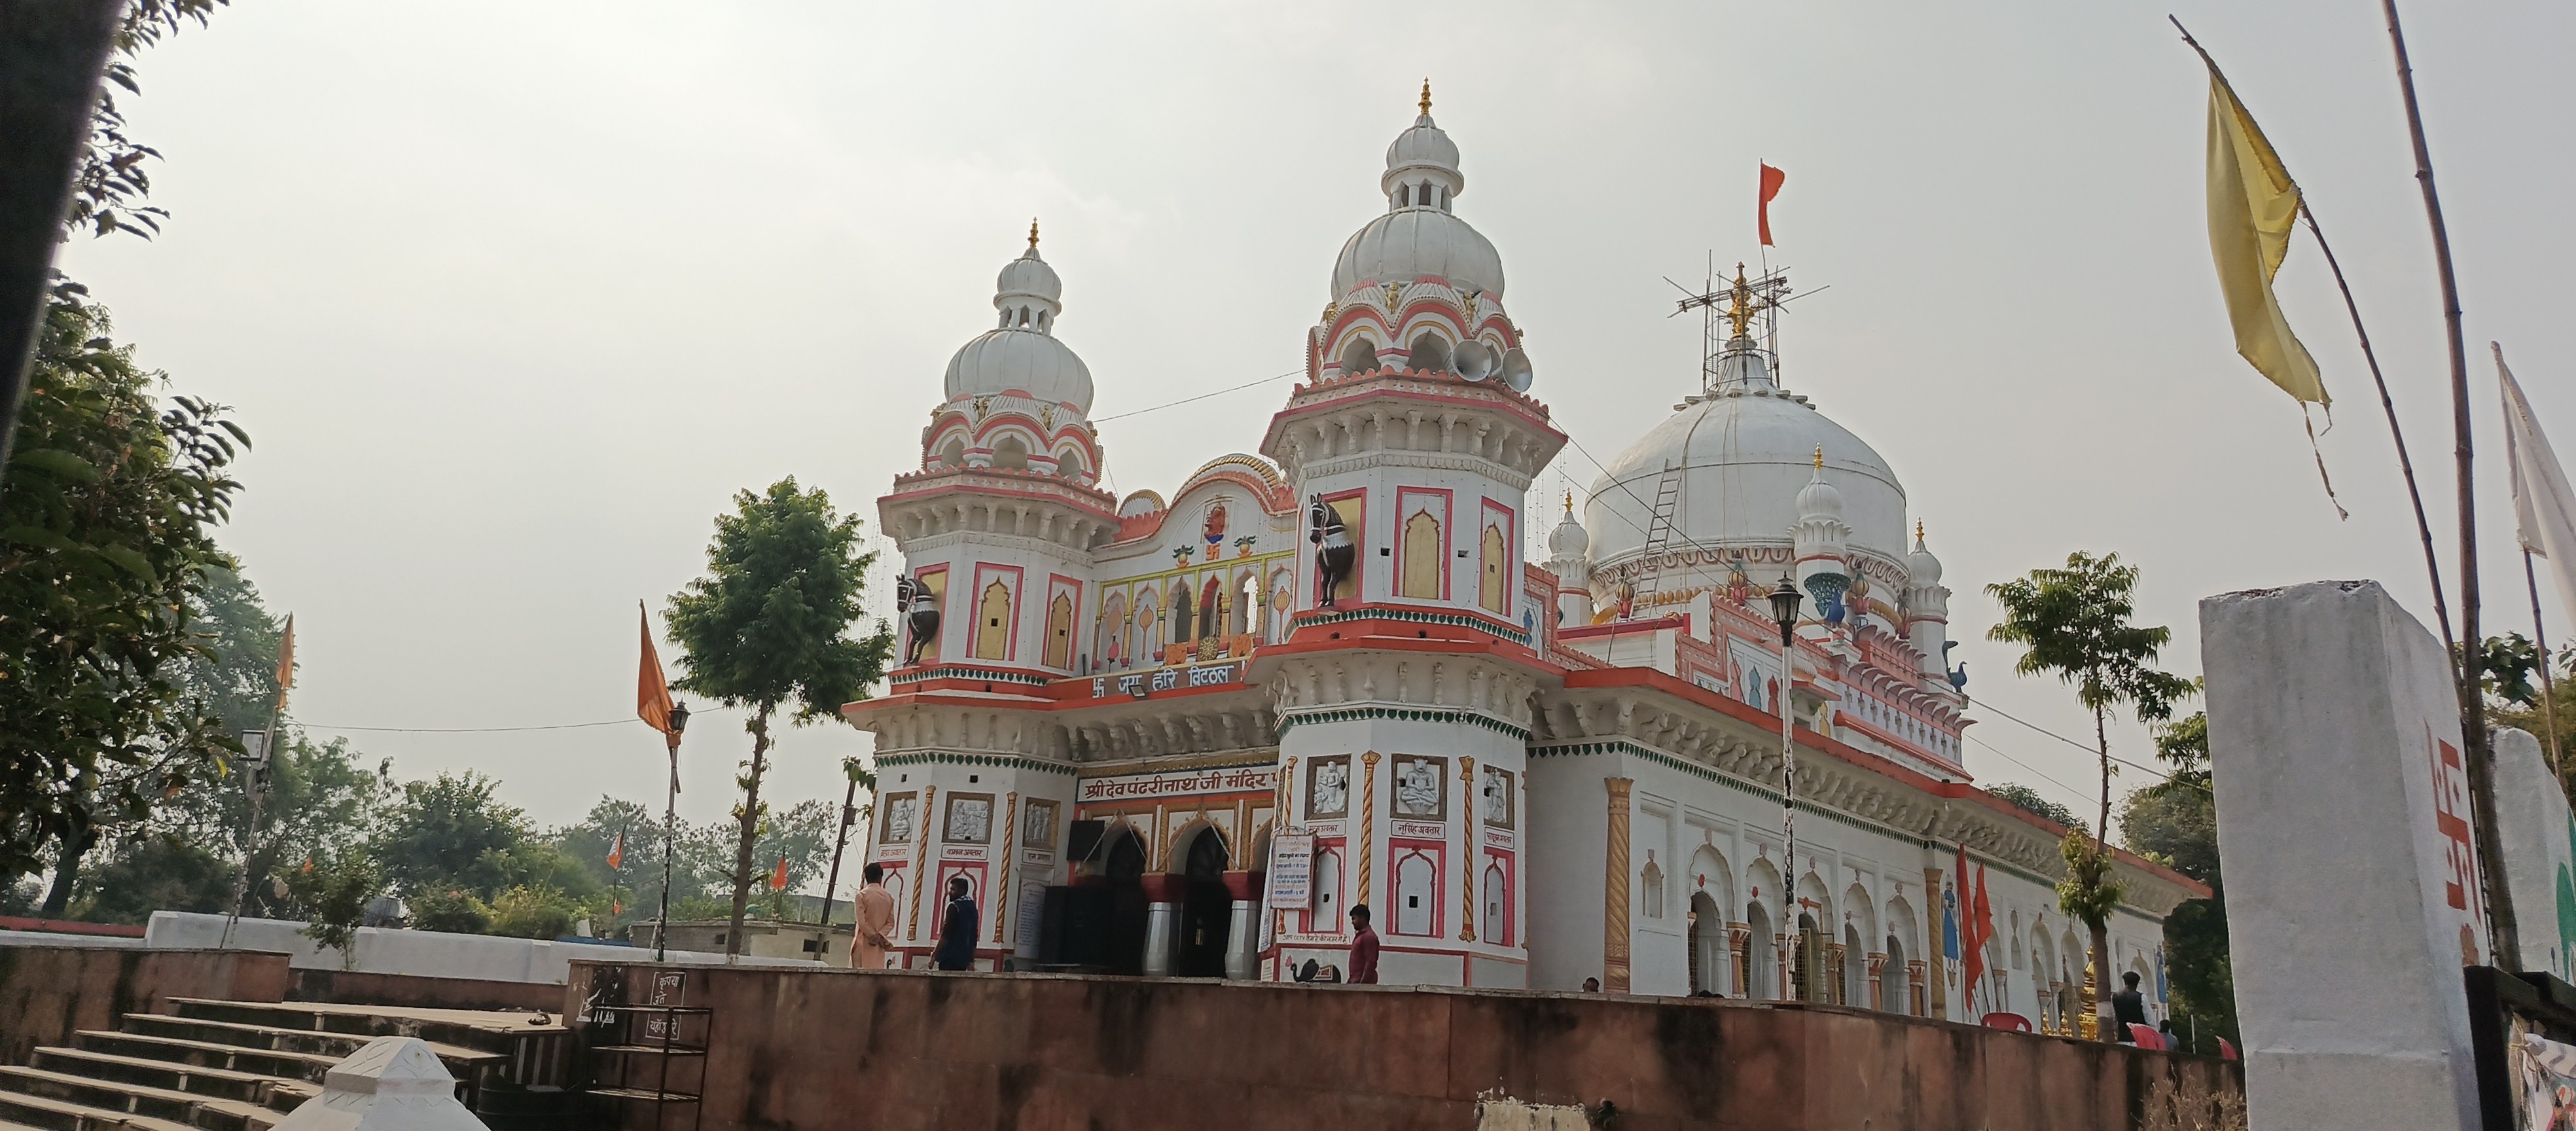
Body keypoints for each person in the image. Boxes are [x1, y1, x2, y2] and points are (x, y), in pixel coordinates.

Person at [850, 863, 895, 971]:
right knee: (875, 974)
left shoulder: (862, 895)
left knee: (859, 976)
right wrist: (879, 936)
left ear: (866, 877)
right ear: (881, 877)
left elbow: (862, 922)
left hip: (863, 943)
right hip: (878, 946)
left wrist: (873, 936)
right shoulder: (888, 897)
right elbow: (890, 923)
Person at [932, 876, 978, 971]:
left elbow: (946, 933)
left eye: (953, 889)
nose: (950, 892)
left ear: (962, 891)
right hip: (964, 958)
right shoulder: (972, 908)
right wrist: (971, 960)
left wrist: (935, 955)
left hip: (950, 956)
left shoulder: (954, 907)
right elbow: (974, 935)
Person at [1346, 904, 1380, 984]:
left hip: (1362, 983)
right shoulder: (1362, 936)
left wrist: (1363, 984)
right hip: (1356, 981)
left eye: (1354, 919)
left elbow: (1370, 962)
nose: (1352, 922)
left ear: (1362, 918)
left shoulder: (1369, 937)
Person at [2112, 971, 2148, 1043]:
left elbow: (2113, 1019)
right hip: (2139, 1041)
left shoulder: (2115, 997)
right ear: (2137, 984)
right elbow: (2150, 1020)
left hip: (2122, 1039)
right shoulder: (2142, 998)